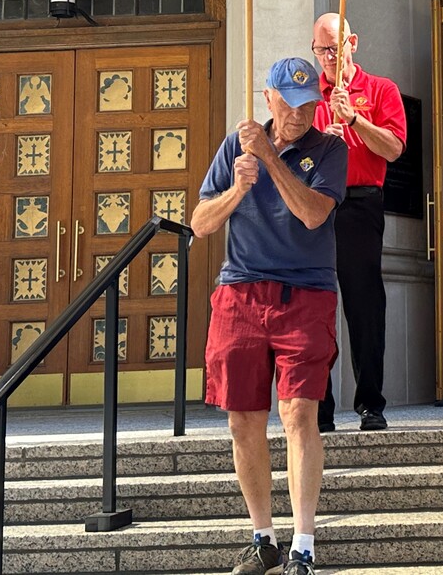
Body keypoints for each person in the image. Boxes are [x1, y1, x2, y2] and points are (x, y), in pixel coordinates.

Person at [191, 58, 348, 575]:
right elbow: (200, 223)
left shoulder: (330, 150)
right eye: (289, 103)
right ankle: (263, 539)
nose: (299, 114)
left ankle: (303, 545)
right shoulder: (233, 147)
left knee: (299, 413)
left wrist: (271, 158)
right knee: (242, 418)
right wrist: (238, 188)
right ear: (269, 97)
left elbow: (313, 213)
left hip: (306, 293)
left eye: (308, 105)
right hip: (240, 292)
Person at [310, 12, 406, 433]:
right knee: (315, 305)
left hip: (360, 204)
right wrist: (320, 144)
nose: (330, 57)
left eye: (336, 47)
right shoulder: (307, 95)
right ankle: (319, 407)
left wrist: (353, 120)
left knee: (364, 305)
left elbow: (393, 149)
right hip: (315, 205)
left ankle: (370, 402)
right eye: (322, 50)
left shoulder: (381, 89)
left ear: (353, 43)